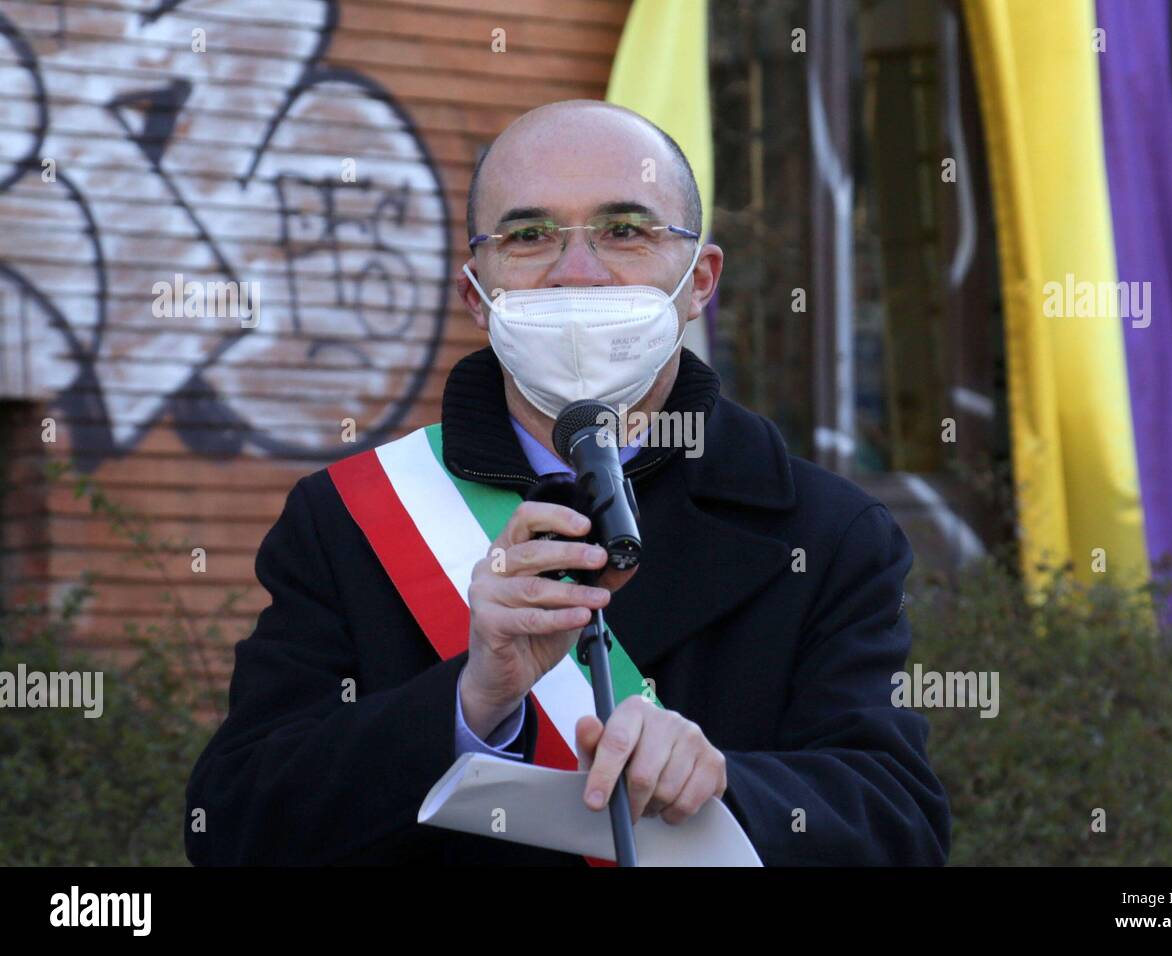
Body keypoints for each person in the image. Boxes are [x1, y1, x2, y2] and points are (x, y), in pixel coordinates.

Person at [184, 99, 951, 866]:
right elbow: (233, 824)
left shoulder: (825, 533)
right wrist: (469, 704)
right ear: (475, 295)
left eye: (624, 230)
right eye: (528, 237)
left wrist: (724, 788)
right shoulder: (346, 519)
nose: (576, 274)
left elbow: (898, 823)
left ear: (699, 280)